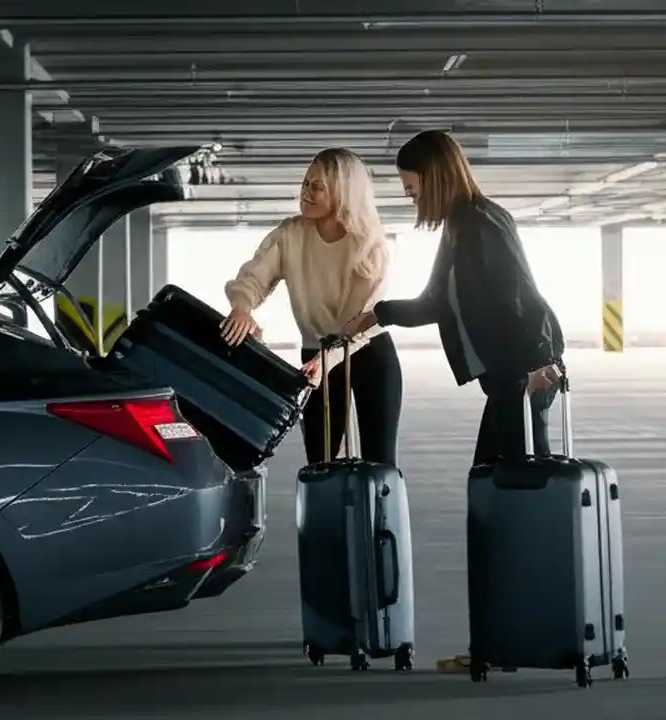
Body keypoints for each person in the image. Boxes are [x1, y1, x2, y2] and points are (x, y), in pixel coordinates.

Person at [342, 129, 564, 674]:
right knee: (498, 505)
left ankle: (504, 644)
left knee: (503, 509)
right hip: (510, 383)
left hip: (520, 381)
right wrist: (376, 316)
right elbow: (436, 302)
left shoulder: (482, 222)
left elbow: (521, 295)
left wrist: (539, 364)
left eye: (412, 186)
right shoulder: (461, 230)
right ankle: (500, 644)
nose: (411, 197)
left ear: (435, 176)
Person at [219, 148, 402, 467]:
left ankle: (381, 517)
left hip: (367, 352)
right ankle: (324, 516)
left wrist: (326, 358)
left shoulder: (369, 244)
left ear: (344, 193)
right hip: (315, 356)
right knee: (320, 461)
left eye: (317, 187)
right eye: (305, 184)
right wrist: (242, 307)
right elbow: (254, 277)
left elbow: (360, 319)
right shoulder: (290, 234)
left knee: (381, 461)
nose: (306, 192)